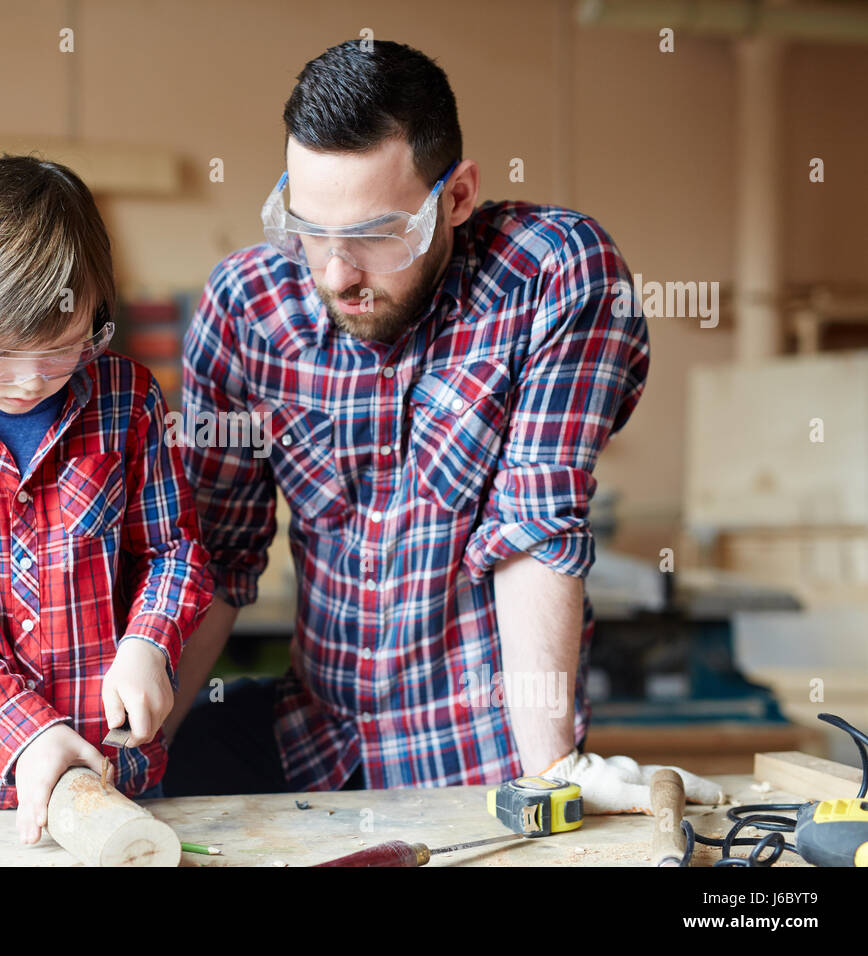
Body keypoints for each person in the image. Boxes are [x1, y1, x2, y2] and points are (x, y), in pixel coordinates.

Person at [164, 40, 722, 814]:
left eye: (373, 235)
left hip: (478, 760)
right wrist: (133, 752)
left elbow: (534, 529)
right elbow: (216, 560)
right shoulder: (246, 307)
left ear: (456, 197)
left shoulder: (553, 275)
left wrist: (550, 772)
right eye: (310, 231)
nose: (334, 274)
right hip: (315, 742)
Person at [0, 155, 212, 840]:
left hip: (118, 774)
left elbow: (173, 551)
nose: (29, 382)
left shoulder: (127, 401)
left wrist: (148, 642)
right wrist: (29, 734)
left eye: (60, 350)